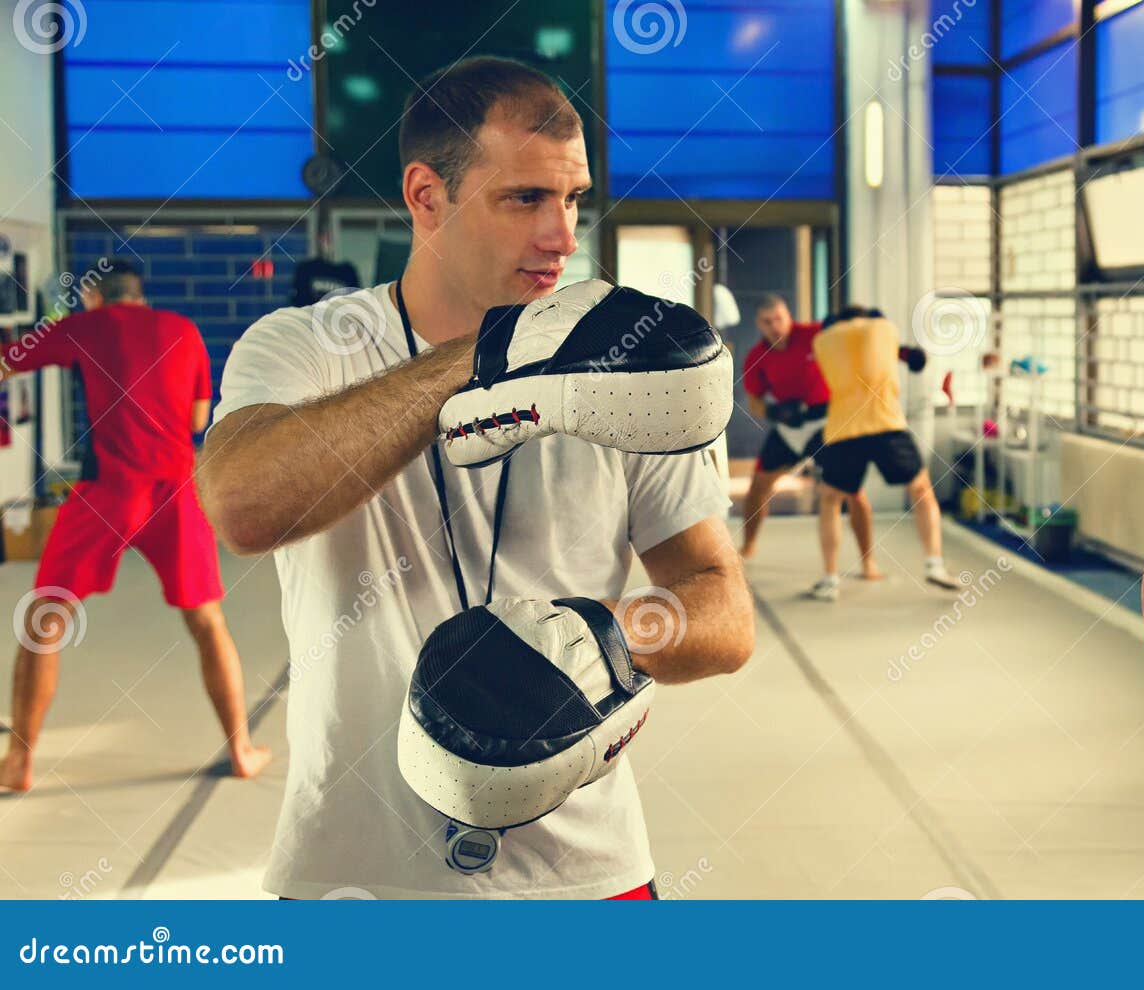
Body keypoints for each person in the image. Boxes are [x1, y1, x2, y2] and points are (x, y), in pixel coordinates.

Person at [196, 56, 753, 900]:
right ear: (426, 197)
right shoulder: (305, 346)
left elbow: (724, 608)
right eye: (525, 198)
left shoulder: (629, 372)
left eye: (572, 199)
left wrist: (607, 640)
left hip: (583, 877)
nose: (563, 235)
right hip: (353, 874)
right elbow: (242, 505)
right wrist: (489, 358)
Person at [0, 260, 271, 792]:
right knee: (208, 621)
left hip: (110, 493)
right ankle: (241, 750)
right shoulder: (184, 330)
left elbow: (8, 362)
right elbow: (197, 421)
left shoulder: (84, 325)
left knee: (45, 621)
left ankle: (18, 763)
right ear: (140, 294)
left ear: (95, 295)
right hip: (176, 492)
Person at [807, 305, 955, 601]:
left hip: (843, 429)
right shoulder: (882, 328)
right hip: (885, 423)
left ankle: (830, 579)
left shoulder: (823, 341)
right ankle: (934, 564)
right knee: (921, 489)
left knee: (831, 500)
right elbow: (889, 357)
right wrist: (907, 353)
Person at [739, 294, 879, 577]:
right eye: (767, 322)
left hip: (828, 422)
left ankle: (868, 562)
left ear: (789, 316)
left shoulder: (815, 334)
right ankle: (748, 546)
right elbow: (754, 402)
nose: (775, 326)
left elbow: (851, 339)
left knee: (853, 491)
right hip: (789, 428)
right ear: (759, 325)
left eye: (779, 318)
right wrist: (776, 413)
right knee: (758, 487)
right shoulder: (756, 356)